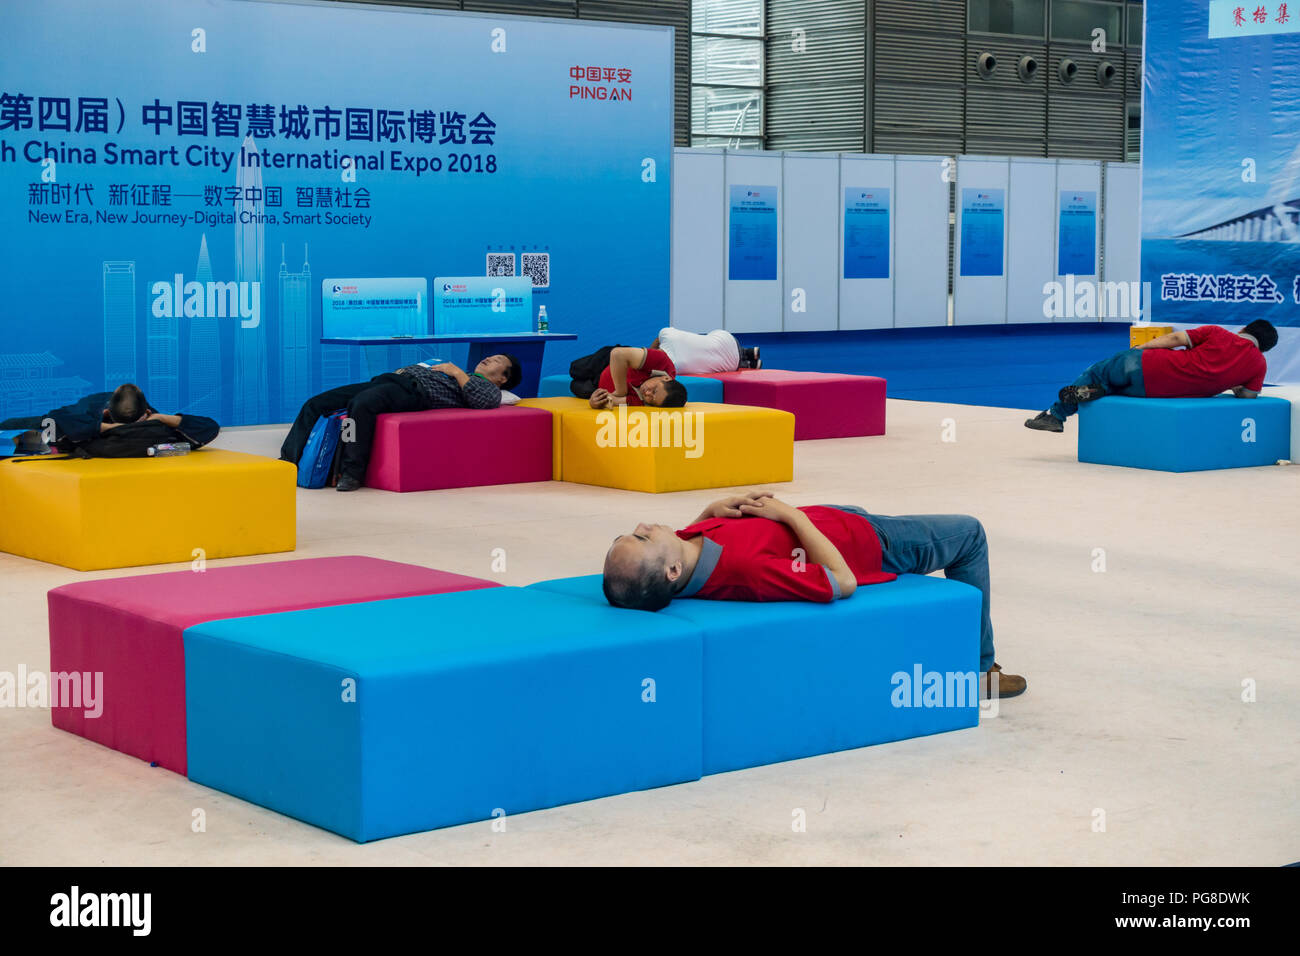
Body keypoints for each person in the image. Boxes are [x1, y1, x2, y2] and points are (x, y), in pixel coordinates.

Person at [601, 491, 1026, 699]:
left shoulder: (687, 556)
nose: (644, 523)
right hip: (870, 543)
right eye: (642, 537)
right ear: (671, 570)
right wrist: (791, 515)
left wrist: (710, 513)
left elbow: (689, 560)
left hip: (837, 518)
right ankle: (978, 670)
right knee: (969, 532)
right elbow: (841, 581)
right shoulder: (745, 571)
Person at [280, 354, 521, 491]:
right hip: (391, 381)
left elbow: (482, 402)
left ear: (502, 378)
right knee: (317, 402)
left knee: (361, 404)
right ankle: (287, 461)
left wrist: (456, 372)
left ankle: (352, 473)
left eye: (498, 360)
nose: (489, 358)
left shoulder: (488, 389)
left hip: (415, 393)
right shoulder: (462, 374)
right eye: (490, 356)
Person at [1025, 320, 1277, 432]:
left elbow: (1177, 338)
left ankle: (1055, 416)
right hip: (1159, 391)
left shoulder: (1219, 333)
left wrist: (1141, 348)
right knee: (1116, 386)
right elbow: (1249, 396)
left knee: (1098, 371)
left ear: (1244, 329)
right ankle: (1103, 389)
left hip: (1149, 365)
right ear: (1264, 348)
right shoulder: (1258, 364)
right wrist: (1234, 386)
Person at [0, 383, 219, 453]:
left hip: (89, 414)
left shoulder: (82, 428)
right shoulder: (159, 430)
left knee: (10, 427)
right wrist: (162, 418)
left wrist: (101, 426)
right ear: (148, 413)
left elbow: (51, 419)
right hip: (99, 413)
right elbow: (210, 428)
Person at [586, 345, 688, 409]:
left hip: (595, 385)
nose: (647, 393)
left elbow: (611, 400)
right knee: (576, 369)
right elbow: (617, 354)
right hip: (607, 363)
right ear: (666, 378)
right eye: (654, 390)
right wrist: (621, 391)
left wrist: (594, 403)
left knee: (577, 387)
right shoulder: (662, 362)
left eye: (652, 399)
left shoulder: (645, 401)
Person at [651, 327, 761, 375]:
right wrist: (650, 351)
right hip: (727, 338)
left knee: (714, 362)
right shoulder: (666, 333)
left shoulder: (673, 366)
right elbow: (657, 340)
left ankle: (747, 363)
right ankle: (747, 352)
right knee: (711, 344)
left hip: (732, 364)